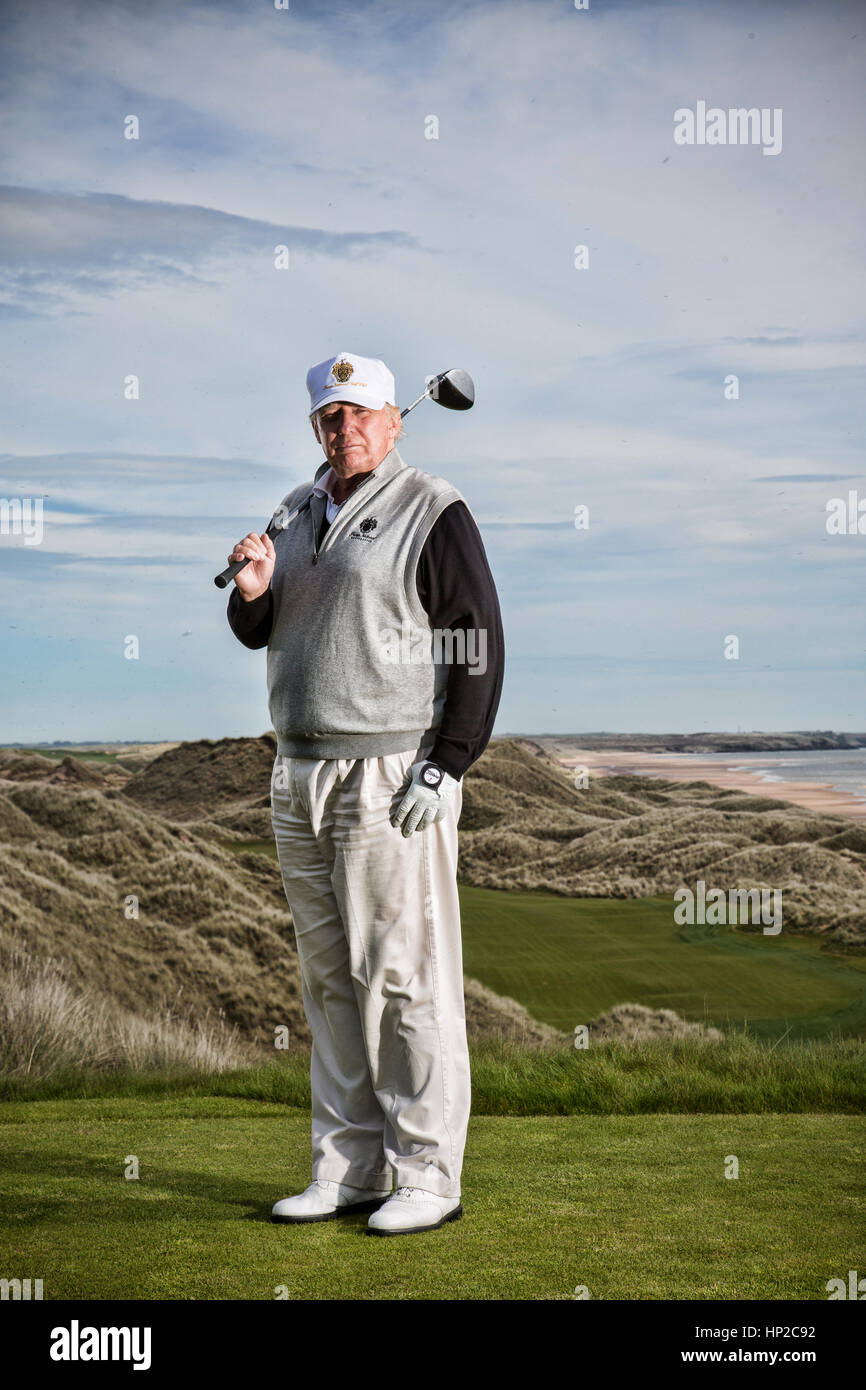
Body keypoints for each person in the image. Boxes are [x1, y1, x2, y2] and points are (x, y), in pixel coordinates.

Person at [226, 351, 504, 1236]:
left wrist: (447, 761)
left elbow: (476, 641)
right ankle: (346, 1167)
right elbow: (258, 629)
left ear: (393, 421)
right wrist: (255, 592)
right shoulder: (298, 511)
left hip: (390, 774)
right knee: (330, 982)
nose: (342, 430)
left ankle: (427, 1175)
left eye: (358, 415)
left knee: (403, 979)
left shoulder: (433, 507)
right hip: (298, 769)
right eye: (328, 418)